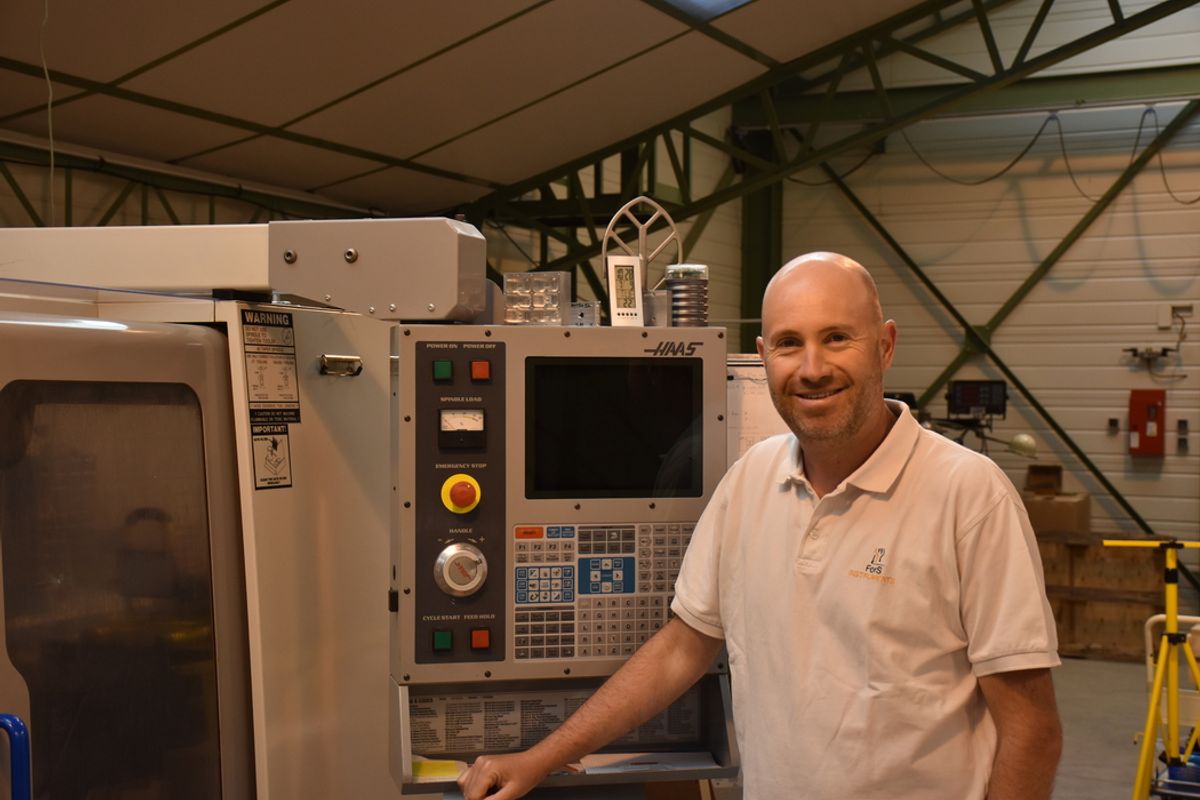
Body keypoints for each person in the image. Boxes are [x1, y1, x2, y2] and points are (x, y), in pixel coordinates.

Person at [458, 252, 1063, 800]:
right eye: (789, 343)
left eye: (837, 338)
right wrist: (541, 757)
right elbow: (682, 647)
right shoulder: (752, 480)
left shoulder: (969, 494)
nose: (813, 367)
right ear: (763, 351)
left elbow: (1031, 727)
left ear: (884, 345)